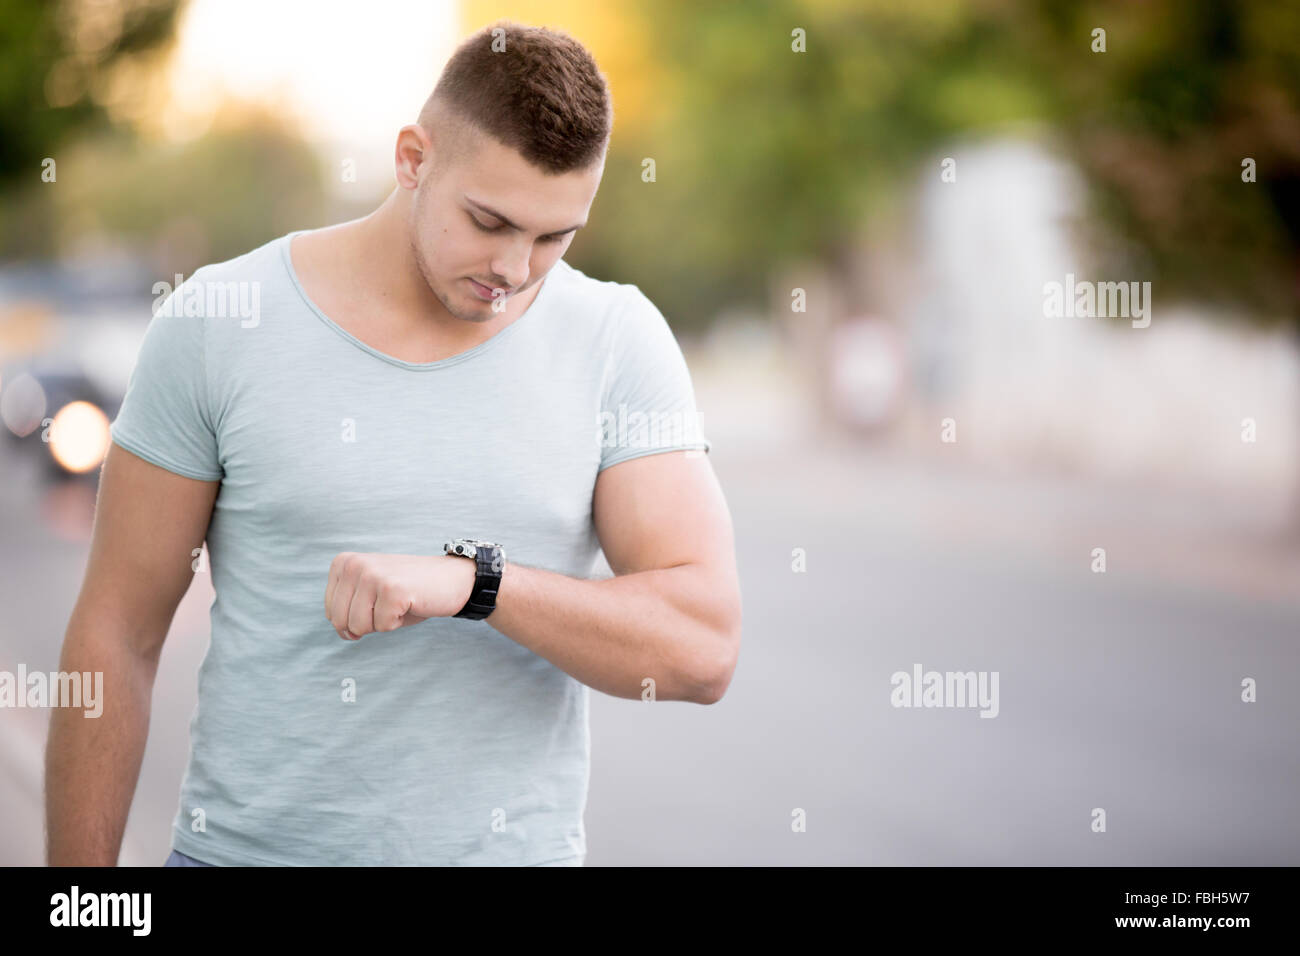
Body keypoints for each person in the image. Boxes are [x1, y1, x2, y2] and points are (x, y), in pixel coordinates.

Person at [45, 20, 742, 867]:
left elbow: (702, 648)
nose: (516, 269)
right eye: (490, 220)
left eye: (555, 236)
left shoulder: (615, 339)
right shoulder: (218, 323)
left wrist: (475, 584)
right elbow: (117, 634)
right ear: (413, 159)